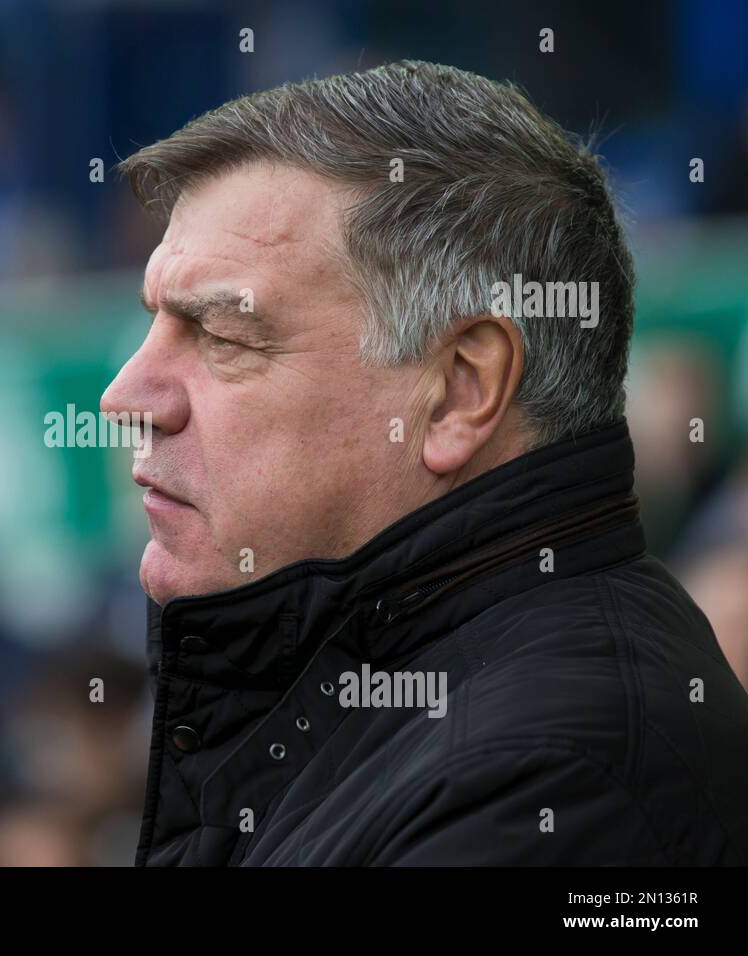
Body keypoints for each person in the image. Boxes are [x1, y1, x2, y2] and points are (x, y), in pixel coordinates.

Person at [100, 60, 748, 866]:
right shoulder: (411, 713)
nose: (125, 397)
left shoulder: (558, 783)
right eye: (155, 323)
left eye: (223, 337)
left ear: (459, 394)